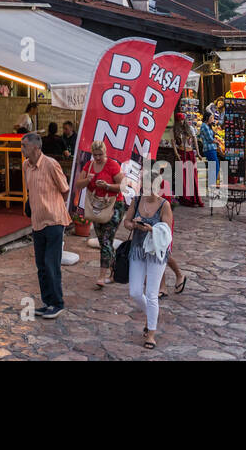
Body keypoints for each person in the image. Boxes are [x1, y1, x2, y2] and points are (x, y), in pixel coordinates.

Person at [21, 132, 69, 319]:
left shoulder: (51, 164)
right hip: (37, 222)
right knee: (41, 265)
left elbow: (64, 189)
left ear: (35, 147)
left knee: (51, 263)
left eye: (24, 145)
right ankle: (47, 302)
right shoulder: (26, 166)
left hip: (54, 220)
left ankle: (58, 303)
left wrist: (55, 206)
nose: (22, 149)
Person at [121, 186, 173, 349]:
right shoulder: (136, 201)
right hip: (137, 249)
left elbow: (167, 231)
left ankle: (151, 333)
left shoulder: (164, 205)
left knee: (151, 293)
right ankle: (152, 314)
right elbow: (126, 222)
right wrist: (134, 225)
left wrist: (152, 229)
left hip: (156, 252)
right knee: (135, 292)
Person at [75, 140, 125, 287]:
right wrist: (87, 180)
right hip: (96, 206)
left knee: (106, 240)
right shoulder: (89, 165)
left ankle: (102, 276)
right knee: (104, 240)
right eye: (95, 155)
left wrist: (108, 186)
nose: (97, 158)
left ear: (105, 152)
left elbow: (123, 186)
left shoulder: (112, 165)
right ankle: (115, 272)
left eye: (100, 155)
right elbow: (78, 185)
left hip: (114, 205)